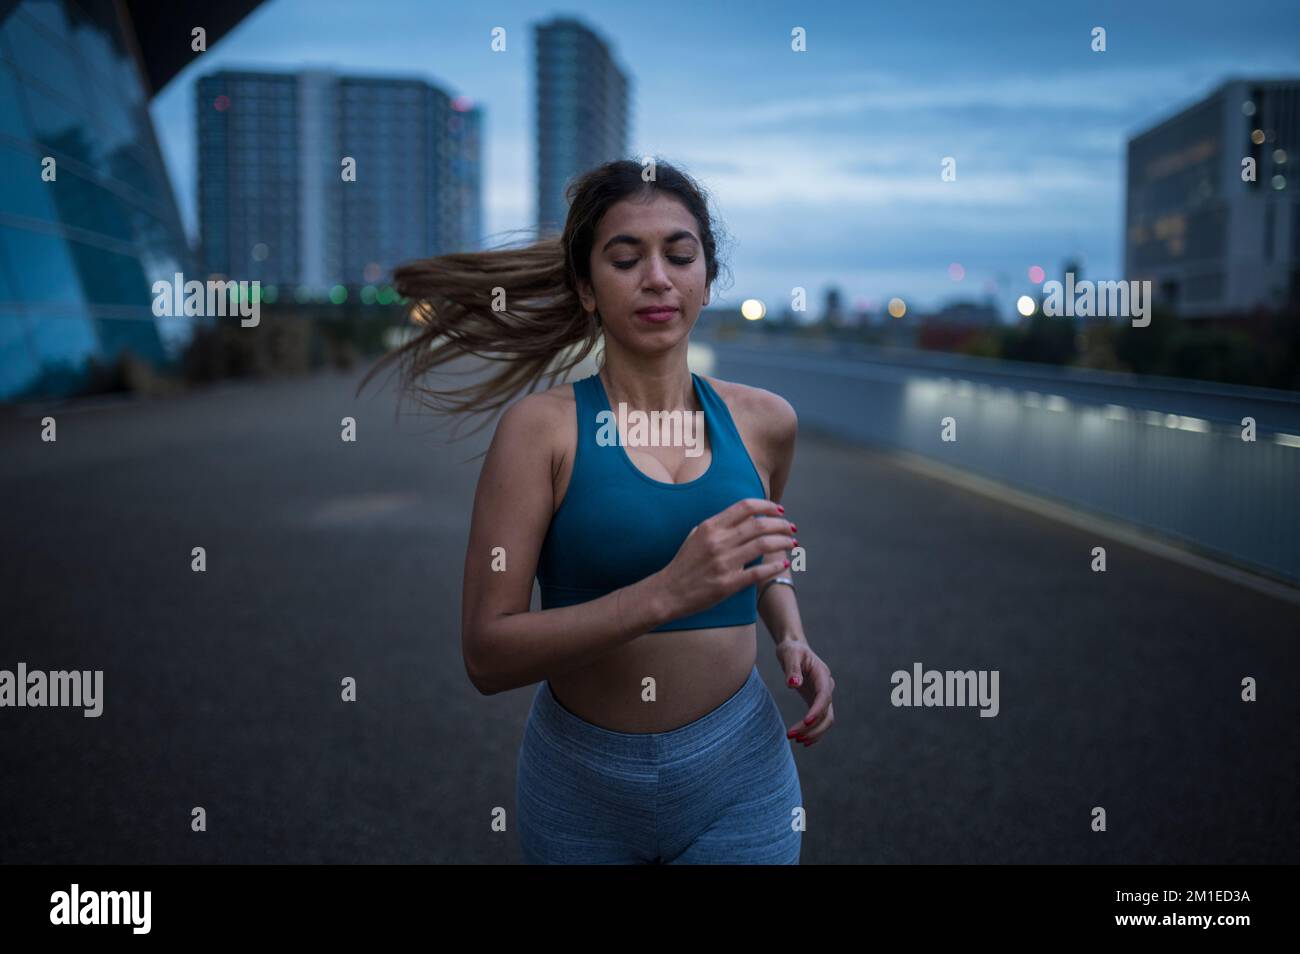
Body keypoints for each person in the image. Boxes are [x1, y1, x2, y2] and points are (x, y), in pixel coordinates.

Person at [362, 157, 836, 863]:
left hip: (743, 772)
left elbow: (765, 554)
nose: (657, 278)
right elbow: (486, 655)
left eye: (680, 255)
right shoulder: (540, 432)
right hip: (582, 786)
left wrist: (791, 633)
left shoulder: (767, 422)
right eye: (625, 258)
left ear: (707, 279)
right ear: (586, 288)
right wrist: (667, 592)